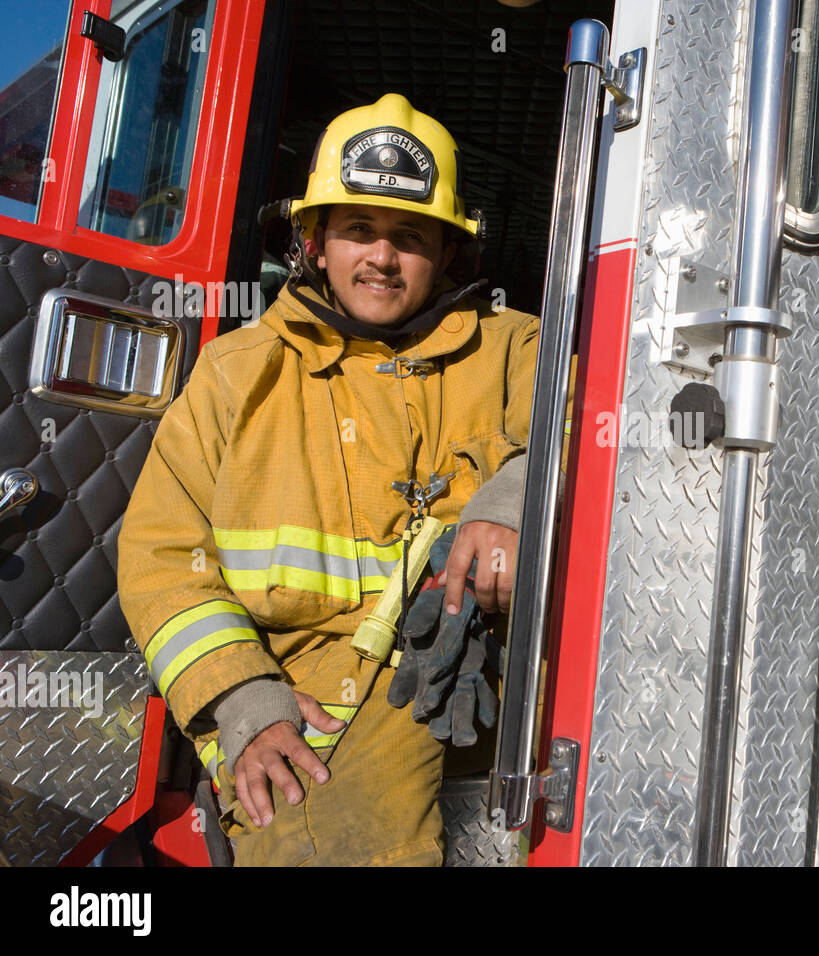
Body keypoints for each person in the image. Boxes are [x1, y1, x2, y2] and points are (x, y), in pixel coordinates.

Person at [116, 94, 537, 866]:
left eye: (410, 236)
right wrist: (244, 698)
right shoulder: (236, 375)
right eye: (358, 230)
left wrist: (513, 499)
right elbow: (162, 561)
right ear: (313, 241)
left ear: (449, 254)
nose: (382, 256)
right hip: (302, 690)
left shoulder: (513, 348)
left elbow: (600, 424)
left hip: (507, 665)